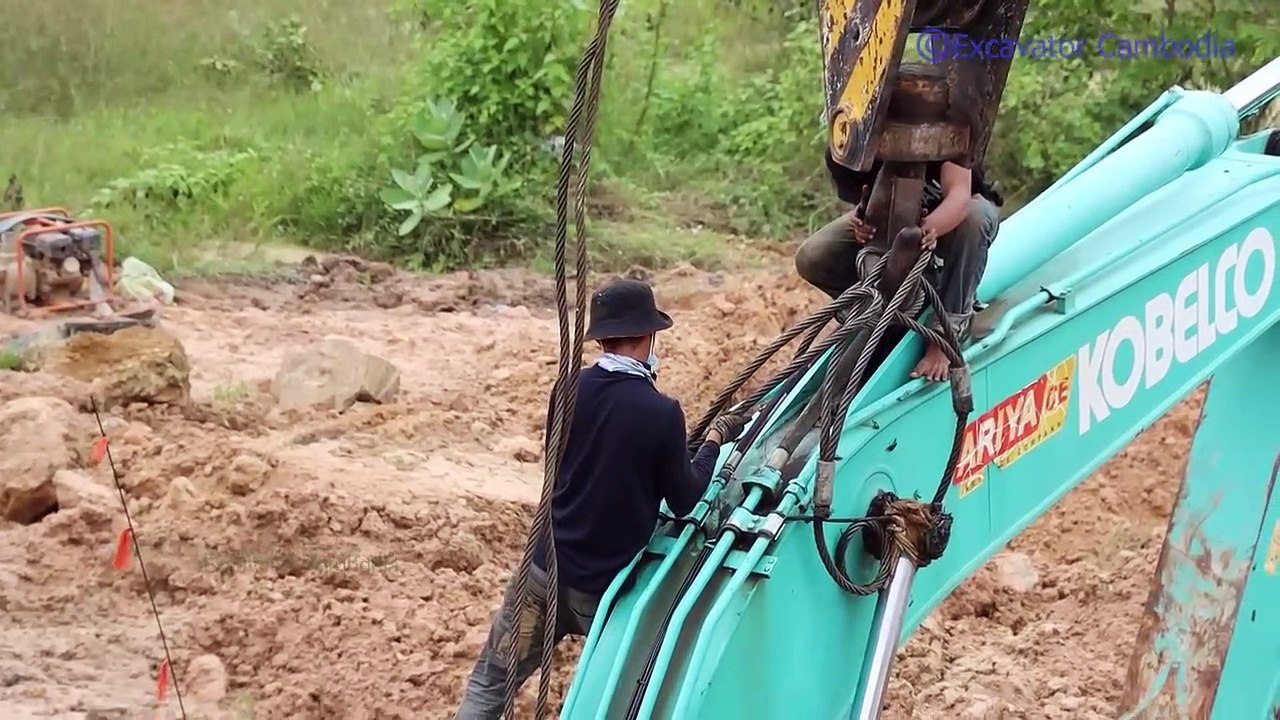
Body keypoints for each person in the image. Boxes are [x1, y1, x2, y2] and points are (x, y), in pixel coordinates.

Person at [454, 278, 749, 720]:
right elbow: (685, 498)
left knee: (490, 683)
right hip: (606, 593)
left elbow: (569, 459)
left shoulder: (567, 389)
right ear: (648, 336)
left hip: (544, 570)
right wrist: (712, 443)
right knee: (624, 701)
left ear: (602, 338)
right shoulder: (661, 412)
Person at [795, 148, 1003, 382]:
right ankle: (879, 308)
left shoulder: (950, 130)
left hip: (953, 217)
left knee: (974, 219)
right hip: (896, 219)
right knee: (813, 256)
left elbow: (959, 198)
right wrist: (862, 219)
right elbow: (866, 197)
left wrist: (928, 229)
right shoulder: (856, 137)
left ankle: (946, 335)